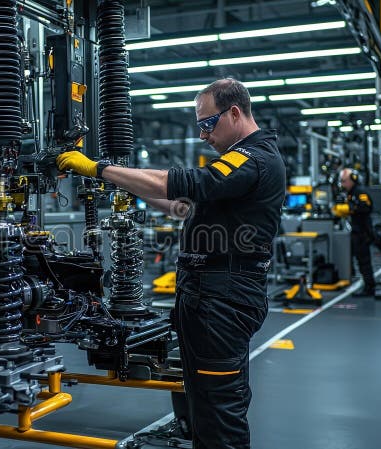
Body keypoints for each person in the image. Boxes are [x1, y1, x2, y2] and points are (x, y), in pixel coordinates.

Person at [57, 77, 285, 449]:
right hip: (208, 296)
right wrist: (130, 185)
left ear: (235, 112)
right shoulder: (240, 162)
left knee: (219, 410)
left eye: (207, 125)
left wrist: (99, 169)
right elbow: (181, 205)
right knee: (203, 404)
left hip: (224, 300)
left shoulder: (252, 159)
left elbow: (181, 183)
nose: (203, 136)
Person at [339, 168, 376, 296]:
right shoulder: (351, 192)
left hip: (363, 232)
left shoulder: (360, 192)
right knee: (360, 260)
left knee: (364, 261)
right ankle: (367, 284)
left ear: (352, 179)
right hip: (357, 231)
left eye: (344, 181)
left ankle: (369, 287)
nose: (343, 184)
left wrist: (351, 209)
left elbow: (367, 207)